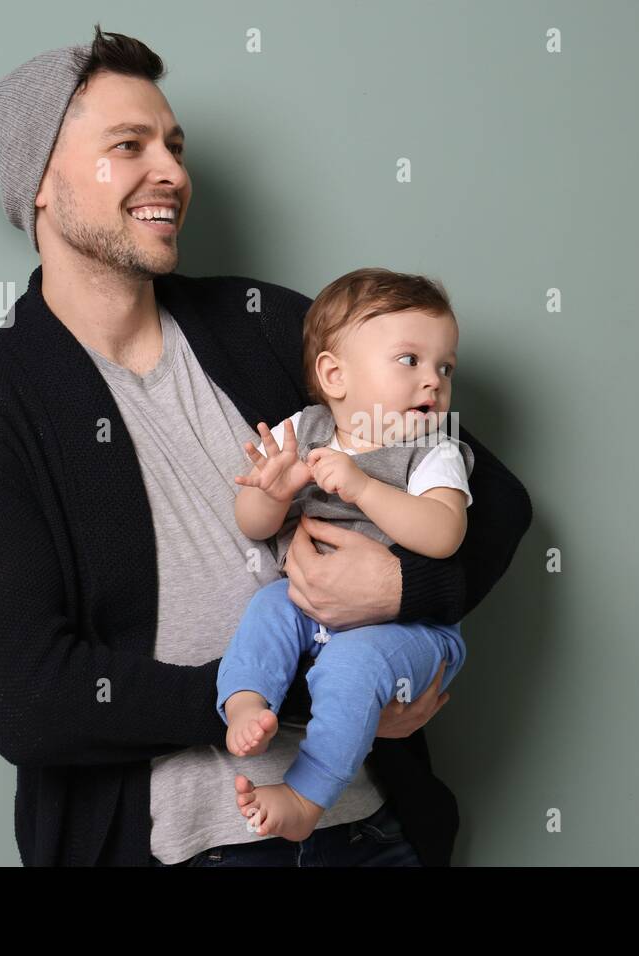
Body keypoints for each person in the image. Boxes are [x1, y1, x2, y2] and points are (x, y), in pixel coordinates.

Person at [0, 25, 531, 867]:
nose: (170, 171)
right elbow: (29, 698)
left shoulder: (264, 325)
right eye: (127, 146)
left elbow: (491, 497)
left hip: (375, 831)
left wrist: (402, 582)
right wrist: (312, 695)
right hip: (177, 849)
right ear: (41, 183)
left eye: (173, 144)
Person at [218, 267, 473, 842]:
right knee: (267, 610)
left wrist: (363, 488)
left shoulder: (433, 451)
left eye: (445, 367)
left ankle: (307, 795)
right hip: (309, 607)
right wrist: (273, 494)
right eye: (410, 360)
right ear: (334, 375)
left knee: (351, 666)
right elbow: (251, 524)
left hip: (412, 632)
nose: (432, 380)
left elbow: (443, 534)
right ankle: (245, 702)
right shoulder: (304, 433)